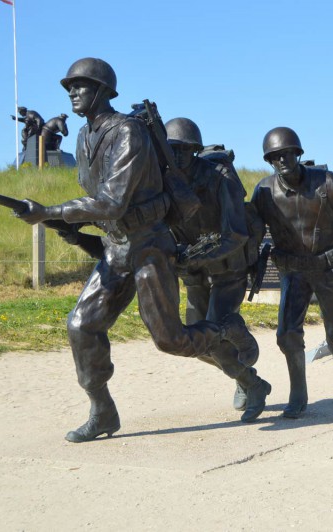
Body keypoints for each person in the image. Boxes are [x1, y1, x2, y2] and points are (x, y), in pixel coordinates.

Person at [17, 58, 265, 443]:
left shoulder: (128, 132)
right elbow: (99, 203)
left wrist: (50, 211)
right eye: (69, 86)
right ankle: (102, 411)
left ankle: (232, 344)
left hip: (149, 246)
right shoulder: (82, 138)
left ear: (103, 90)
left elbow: (112, 201)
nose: (72, 92)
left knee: (171, 340)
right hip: (116, 247)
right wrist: (68, 225)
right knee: (81, 325)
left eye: (80, 85)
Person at [251, 127, 333, 418]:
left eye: (287, 153)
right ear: (269, 161)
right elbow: (251, 234)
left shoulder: (327, 182)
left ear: (298, 153)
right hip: (293, 272)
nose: (282, 160)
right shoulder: (264, 192)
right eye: (275, 156)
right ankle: (298, 392)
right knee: (286, 335)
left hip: (329, 269)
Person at [164, 117, 269, 413]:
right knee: (196, 344)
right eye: (173, 149)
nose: (179, 156)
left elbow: (236, 234)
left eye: (186, 149)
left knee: (212, 336)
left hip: (228, 267)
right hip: (194, 272)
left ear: (196, 150)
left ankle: (250, 380)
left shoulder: (220, 177)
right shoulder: (164, 180)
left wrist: (196, 256)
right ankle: (246, 376)